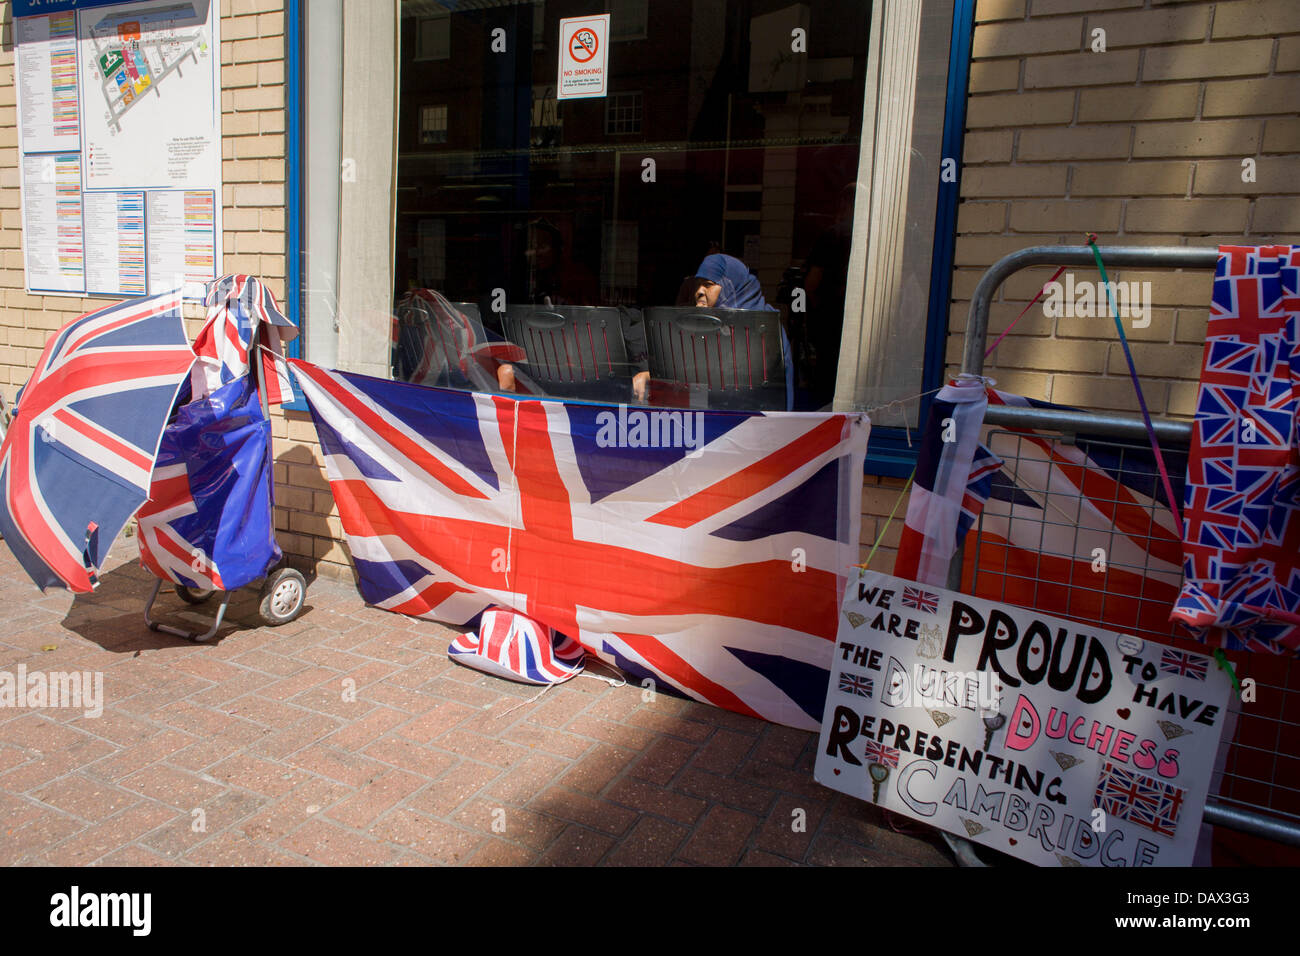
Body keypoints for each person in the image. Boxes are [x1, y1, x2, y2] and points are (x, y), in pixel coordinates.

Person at [693, 254, 793, 409]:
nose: (699, 291)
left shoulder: (764, 328)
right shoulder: (704, 327)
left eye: (708, 284)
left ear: (731, 285)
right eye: (698, 285)